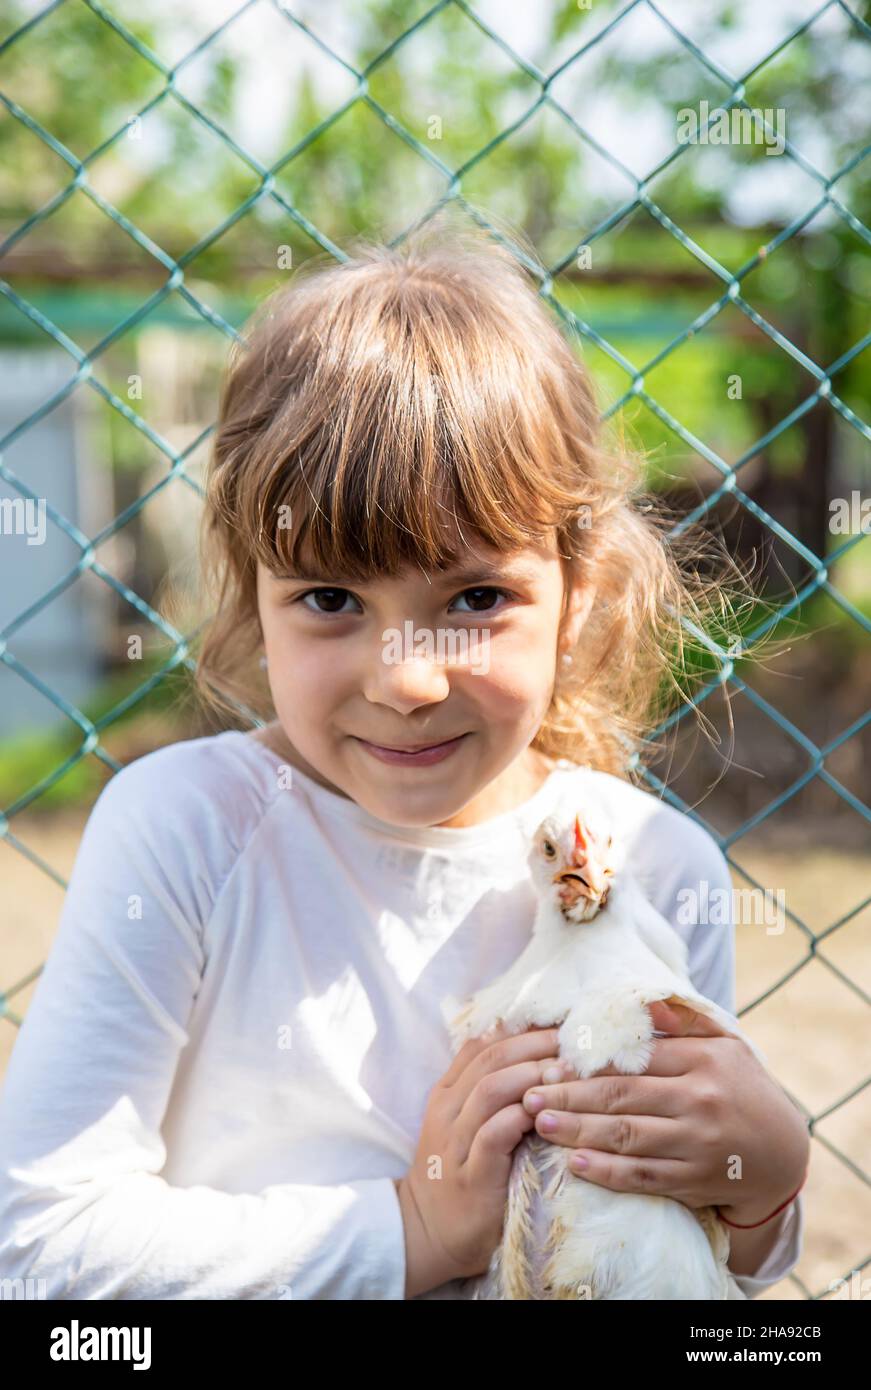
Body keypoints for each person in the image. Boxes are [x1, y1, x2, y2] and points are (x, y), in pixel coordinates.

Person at [0, 218, 809, 1300]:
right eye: (331, 599)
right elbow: (39, 1250)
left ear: (581, 593)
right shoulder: (187, 832)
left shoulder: (652, 865)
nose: (407, 678)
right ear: (253, 598)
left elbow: (674, 1260)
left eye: (475, 598)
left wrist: (760, 1194)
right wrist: (415, 1229)